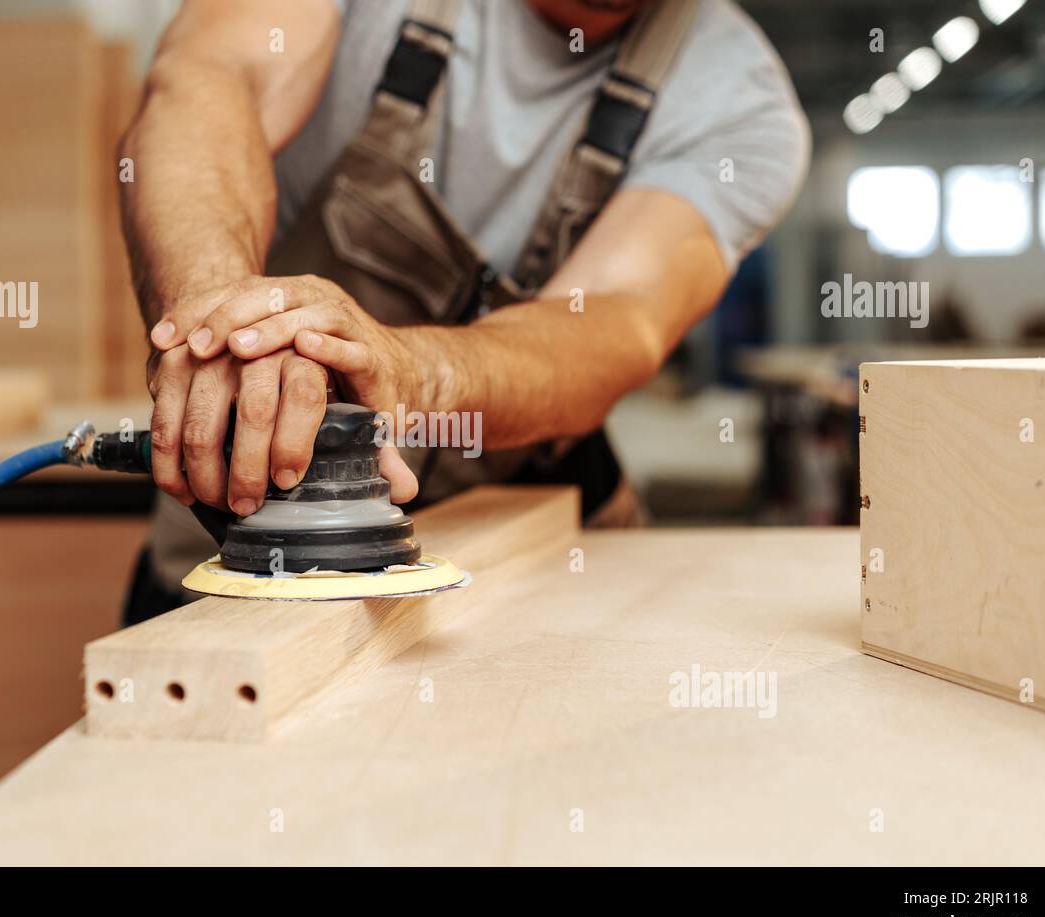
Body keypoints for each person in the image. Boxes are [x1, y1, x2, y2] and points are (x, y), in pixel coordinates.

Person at [118, 0, 810, 622]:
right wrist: (217, 318)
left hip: (506, 570)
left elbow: (615, 319)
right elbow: (207, 83)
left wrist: (414, 370)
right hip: (232, 561)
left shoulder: (737, 98)